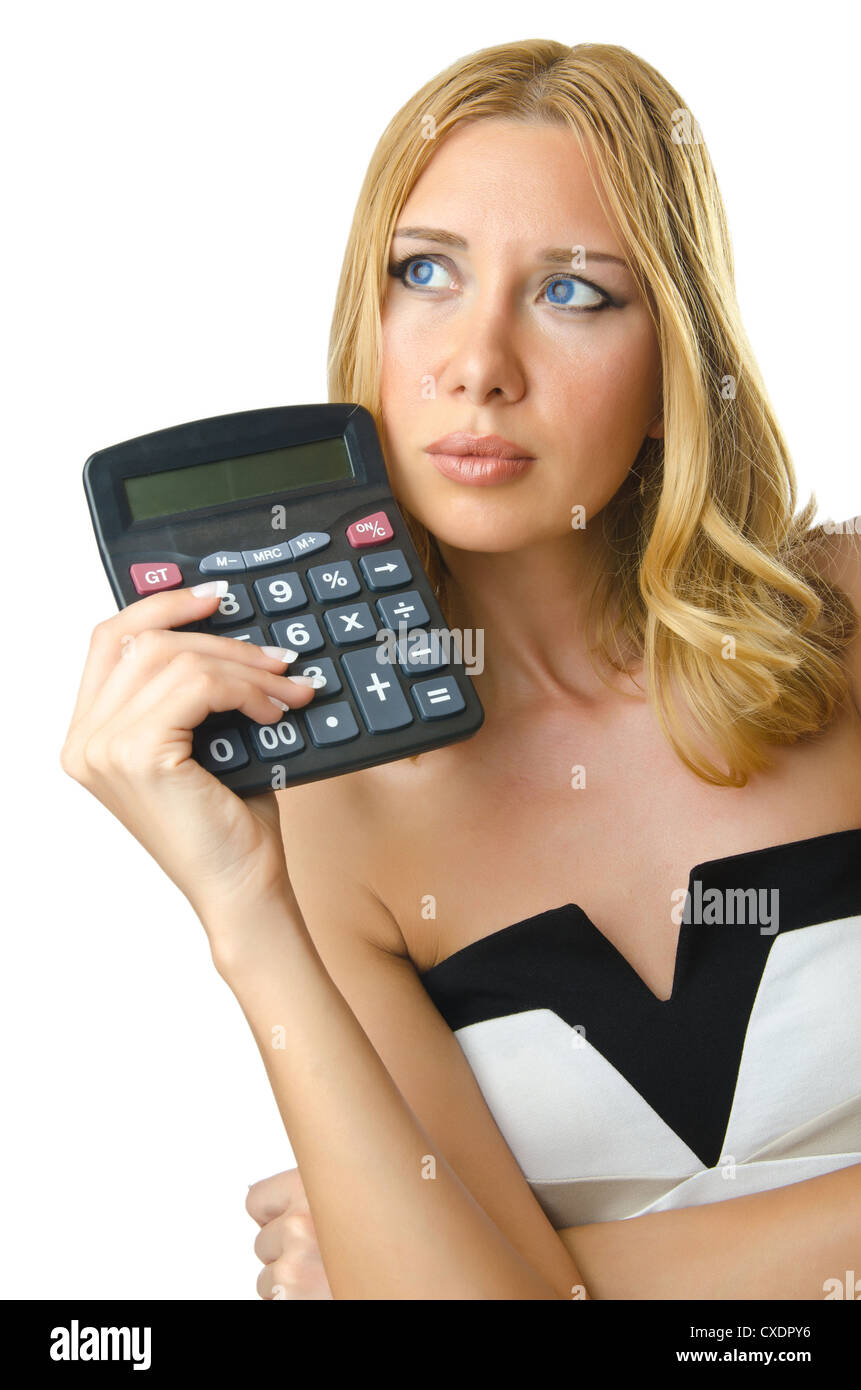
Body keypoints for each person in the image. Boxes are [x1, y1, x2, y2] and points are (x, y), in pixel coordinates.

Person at [61, 39, 861, 1301]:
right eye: (424, 273)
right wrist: (241, 910)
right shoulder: (338, 816)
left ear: (674, 364)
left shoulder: (851, 617)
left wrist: (559, 1278)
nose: (477, 364)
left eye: (575, 293)